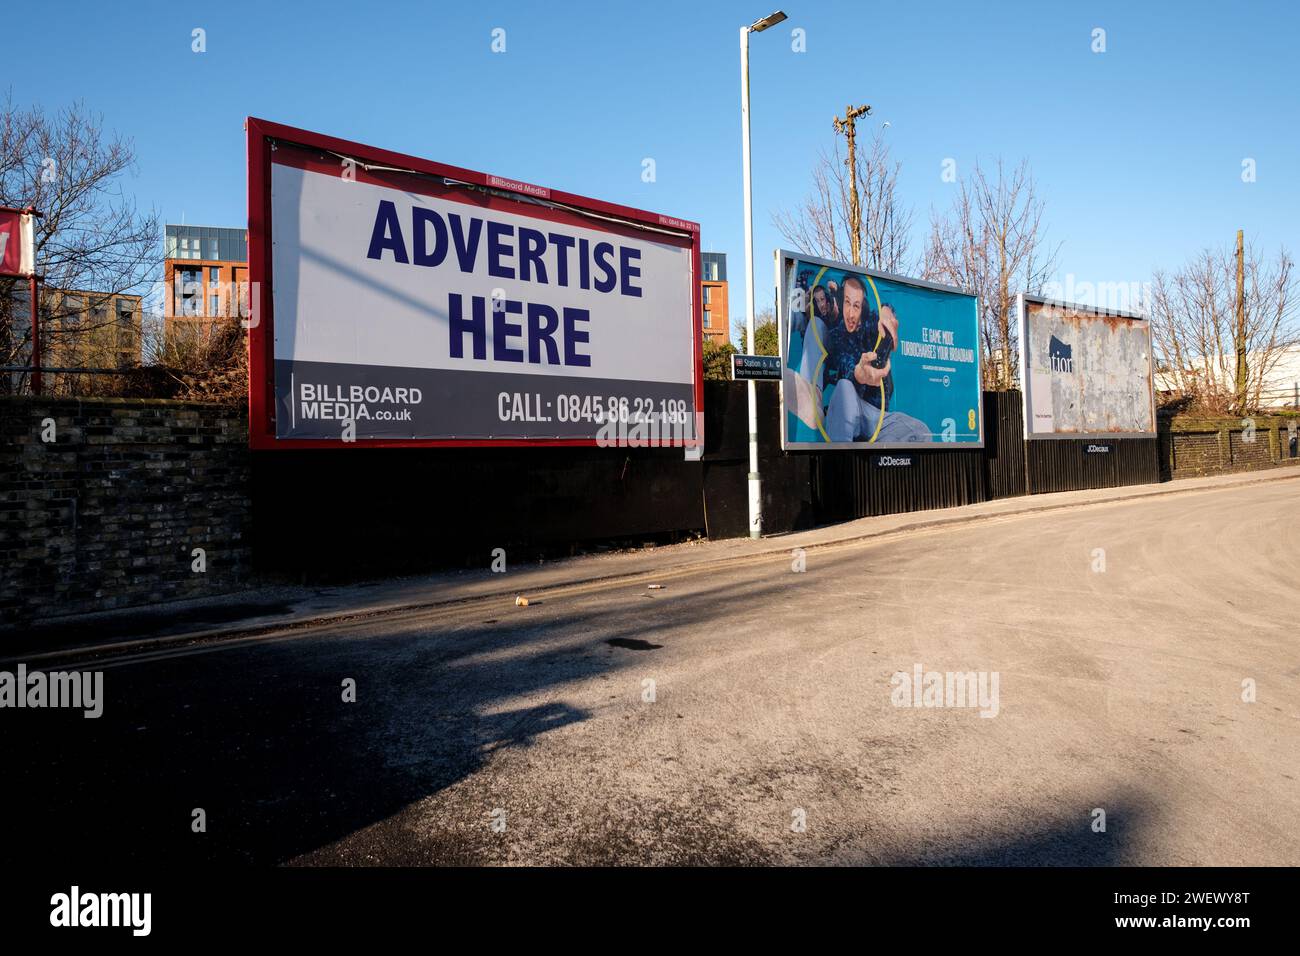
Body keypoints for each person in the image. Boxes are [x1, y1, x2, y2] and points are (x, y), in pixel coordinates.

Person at [822, 274, 932, 443]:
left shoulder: (870, 323)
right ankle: (840, 460)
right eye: (847, 303)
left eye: (856, 306)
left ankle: (873, 459)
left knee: (921, 432)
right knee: (844, 387)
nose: (851, 314)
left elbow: (884, 311)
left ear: (862, 306)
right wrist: (859, 374)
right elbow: (844, 363)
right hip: (849, 407)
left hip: (876, 417)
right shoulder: (836, 334)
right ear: (841, 301)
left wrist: (887, 311)